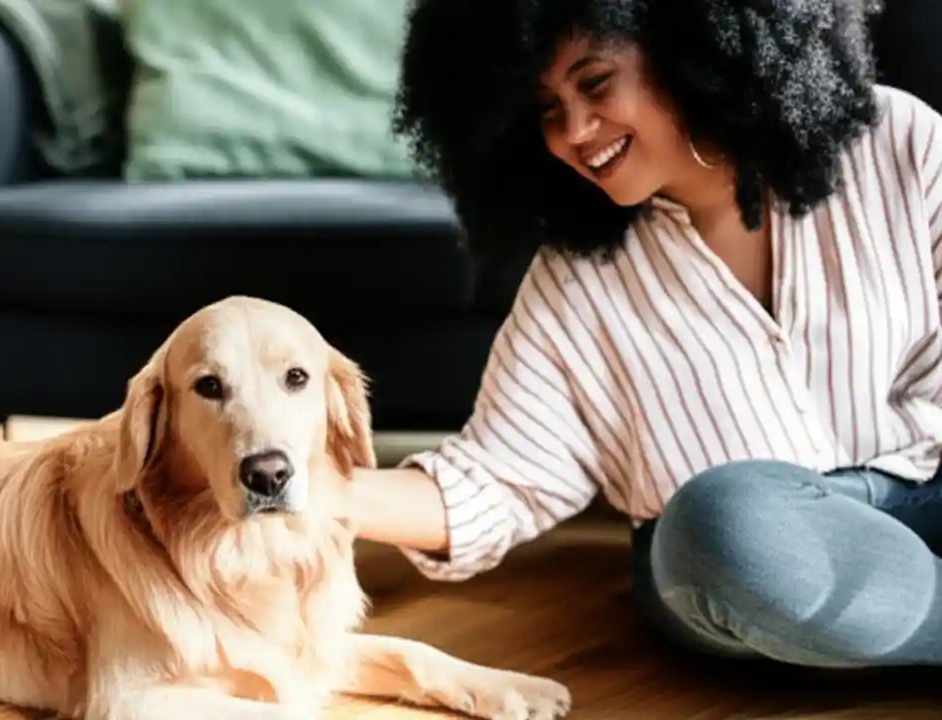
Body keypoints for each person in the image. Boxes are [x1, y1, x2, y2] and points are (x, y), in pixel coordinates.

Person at [350, 0, 942, 669]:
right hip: (739, 568)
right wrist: (326, 497)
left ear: (685, 48)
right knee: (716, 524)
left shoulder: (899, 142)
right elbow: (494, 479)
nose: (574, 130)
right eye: (547, 108)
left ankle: (885, 628)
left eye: (595, 83)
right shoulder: (576, 281)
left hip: (924, 496)